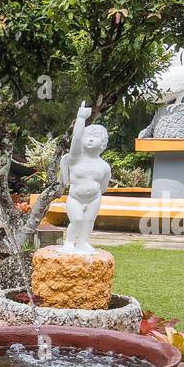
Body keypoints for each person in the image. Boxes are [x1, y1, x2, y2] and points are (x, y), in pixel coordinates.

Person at [59, 102, 110, 254]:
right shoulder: (76, 158)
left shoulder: (104, 166)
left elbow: (103, 187)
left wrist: (93, 193)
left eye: (95, 137)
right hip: (75, 197)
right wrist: (81, 118)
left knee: (88, 221)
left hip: (94, 198)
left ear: (103, 143)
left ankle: (82, 243)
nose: (90, 139)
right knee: (77, 220)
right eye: (87, 136)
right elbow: (76, 138)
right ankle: (69, 242)